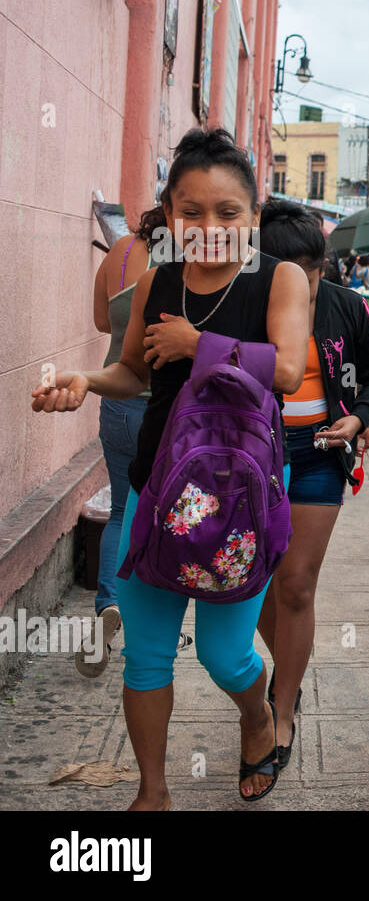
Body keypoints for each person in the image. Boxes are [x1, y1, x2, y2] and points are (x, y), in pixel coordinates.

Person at [30, 127, 310, 806]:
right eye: (191, 211)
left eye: (228, 212)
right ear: (169, 212)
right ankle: (152, 791)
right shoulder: (155, 279)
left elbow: (291, 368)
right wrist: (85, 382)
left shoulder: (281, 277)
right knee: (146, 655)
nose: (209, 227)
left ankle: (255, 714)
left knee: (224, 655)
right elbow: (134, 371)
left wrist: (199, 342)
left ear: (253, 210)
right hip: (156, 490)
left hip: (242, 495)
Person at [253, 200, 369, 768]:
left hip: (319, 453)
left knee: (296, 585)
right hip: (252, 455)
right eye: (283, 268)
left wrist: (359, 418)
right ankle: (283, 669)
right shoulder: (243, 305)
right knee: (253, 584)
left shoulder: (347, 306)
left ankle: (281, 709)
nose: (301, 283)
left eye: (310, 269)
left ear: (322, 267)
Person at [75, 204, 169, 677]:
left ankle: (108, 604)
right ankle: (150, 621)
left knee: (120, 509)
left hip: (116, 399)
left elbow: (99, 321)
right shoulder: (185, 266)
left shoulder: (120, 249)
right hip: (164, 409)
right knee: (162, 515)